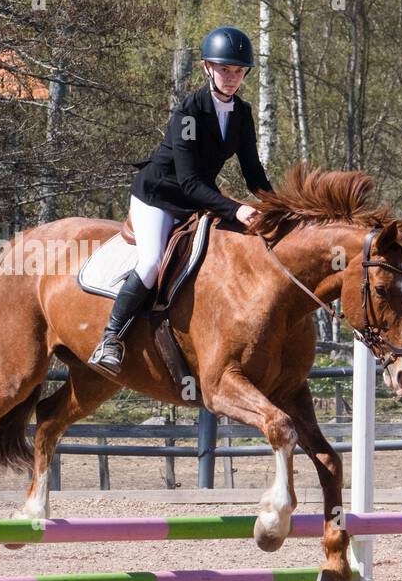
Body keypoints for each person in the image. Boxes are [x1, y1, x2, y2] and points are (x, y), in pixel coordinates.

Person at [90, 26, 273, 371]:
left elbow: (253, 173)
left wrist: (281, 207)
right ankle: (110, 339)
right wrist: (236, 208)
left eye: (238, 71)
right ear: (207, 68)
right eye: (224, 69)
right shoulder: (189, 112)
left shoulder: (243, 113)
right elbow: (188, 181)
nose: (232, 78)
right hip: (159, 195)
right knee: (151, 261)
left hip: (198, 198)